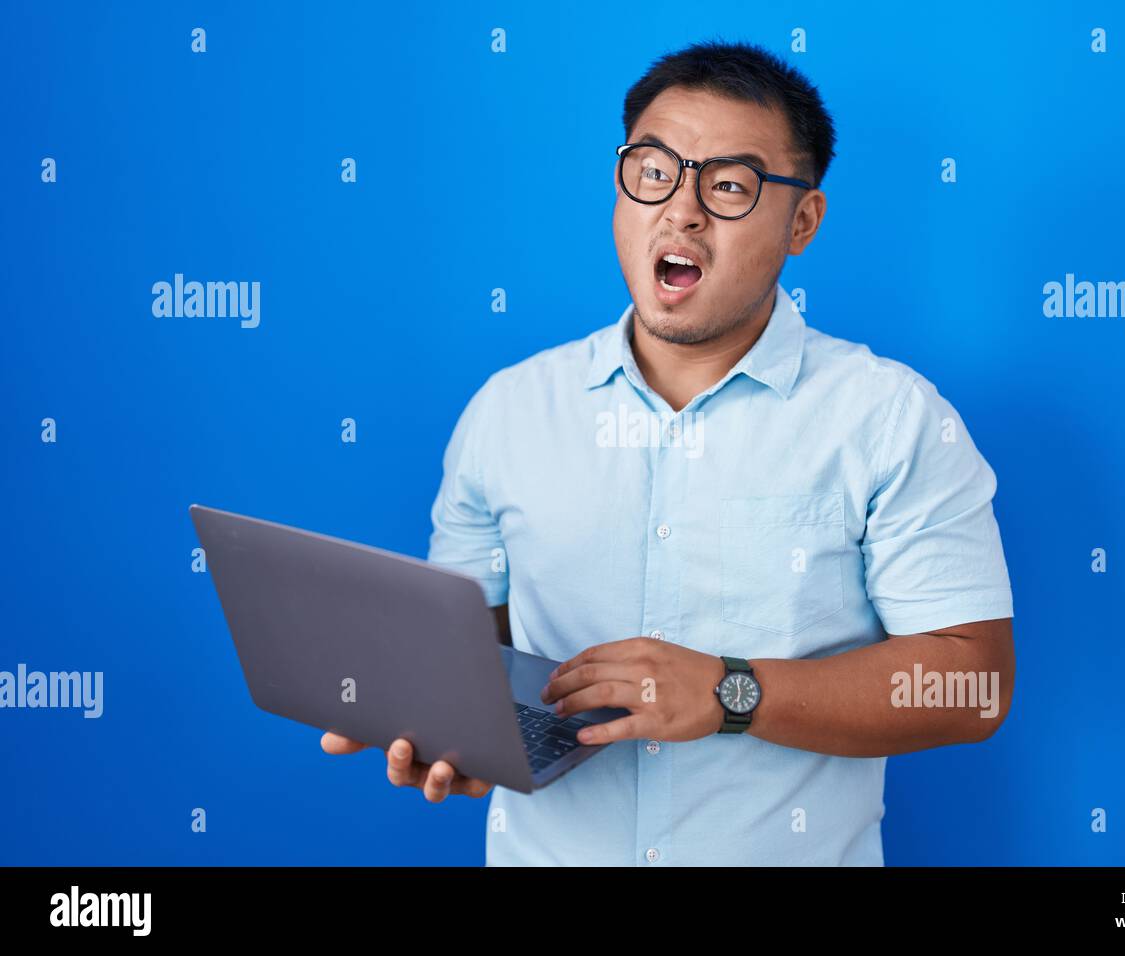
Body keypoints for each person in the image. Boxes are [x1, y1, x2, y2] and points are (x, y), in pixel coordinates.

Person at [323, 39, 1015, 866]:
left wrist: (732, 692)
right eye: (654, 171)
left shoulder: (891, 418)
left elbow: (972, 685)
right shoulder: (508, 411)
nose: (680, 211)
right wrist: (450, 732)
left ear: (803, 221)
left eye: (728, 185)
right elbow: (479, 658)